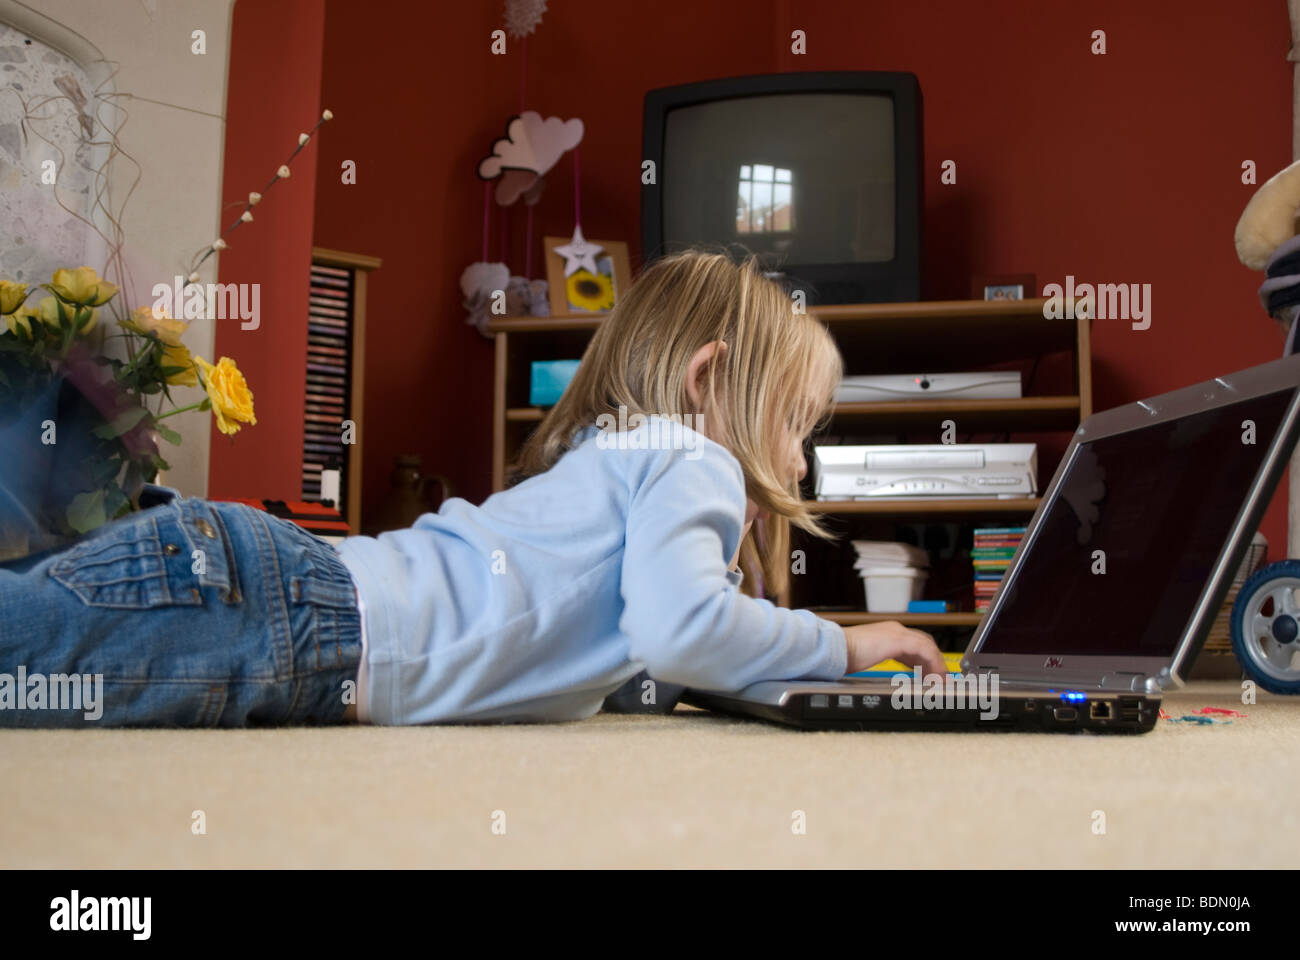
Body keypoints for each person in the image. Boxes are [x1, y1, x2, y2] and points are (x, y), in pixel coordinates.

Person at [0, 250, 945, 728]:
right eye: (796, 421)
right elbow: (679, 632)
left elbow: (624, 658)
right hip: (294, 615)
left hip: (272, 594)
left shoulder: (616, 454)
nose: (804, 459)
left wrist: (746, 621)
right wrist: (845, 646)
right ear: (708, 380)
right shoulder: (692, 460)